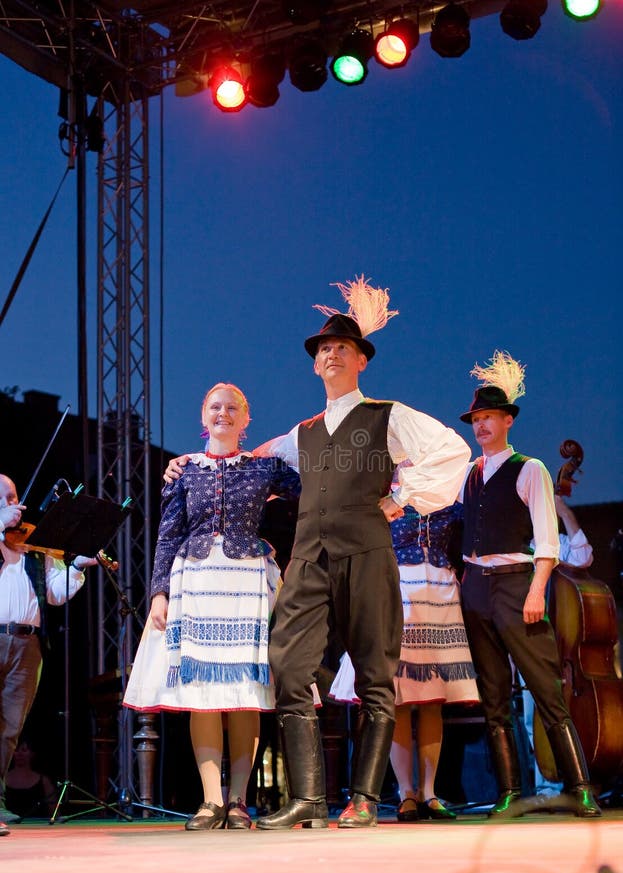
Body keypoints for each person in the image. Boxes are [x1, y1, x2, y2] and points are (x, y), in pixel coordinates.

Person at [165, 279, 471, 830]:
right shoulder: (300, 433)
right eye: (322, 349)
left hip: (367, 553)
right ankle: (308, 797)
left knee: (377, 674)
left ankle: (364, 801)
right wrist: (188, 462)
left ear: (359, 361)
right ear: (315, 366)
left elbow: (452, 449)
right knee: (288, 666)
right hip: (309, 559)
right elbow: (244, 459)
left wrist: (401, 497)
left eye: (340, 348)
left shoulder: (387, 415)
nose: (330, 353)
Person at [124, 384, 300, 830]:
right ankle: (209, 801)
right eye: (215, 407)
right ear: (204, 417)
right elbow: (168, 534)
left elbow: (310, 485)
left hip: (246, 582)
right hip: (196, 581)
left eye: (233, 408)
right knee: (201, 694)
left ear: (246, 419)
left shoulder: (265, 469)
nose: (224, 414)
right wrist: (159, 592)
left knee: (243, 693)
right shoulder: (183, 472)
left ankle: (239, 801)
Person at [457, 351, 601, 818]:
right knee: (493, 695)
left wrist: (538, 588)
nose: (480, 427)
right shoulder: (472, 474)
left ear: (506, 421)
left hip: (519, 584)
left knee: (545, 689)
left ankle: (580, 787)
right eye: (476, 419)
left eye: (487, 418)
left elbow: (546, 539)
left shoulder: (530, 468)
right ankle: (509, 793)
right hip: (477, 585)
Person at [330, 497, 480, 821]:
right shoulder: (386, 496)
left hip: (439, 592)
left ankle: (429, 792)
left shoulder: (447, 496)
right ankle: (405, 793)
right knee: (398, 696)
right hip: (398, 590)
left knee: (431, 698)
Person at [0, 472, 97, 826]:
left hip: (28, 643)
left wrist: (77, 567)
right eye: (7, 499)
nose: (16, 505)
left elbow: (54, 593)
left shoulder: (35, 544)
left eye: (14, 499)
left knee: (11, 726)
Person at [520, 492, 594, 797]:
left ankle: (580, 778)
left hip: (564, 648)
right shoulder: (521, 550)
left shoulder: (561, 544)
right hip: (530, 642)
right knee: (529, 718)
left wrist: (564, 510)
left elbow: (584, 556)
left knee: (566, 714)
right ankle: (546, 784)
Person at [5, 737, 57, 818]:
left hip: (38, 828)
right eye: (16, 750)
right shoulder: (3, 779)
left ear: (32, 753)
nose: (20, 754)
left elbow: (54, 813)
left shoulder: (44, 781)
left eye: (24, 750)